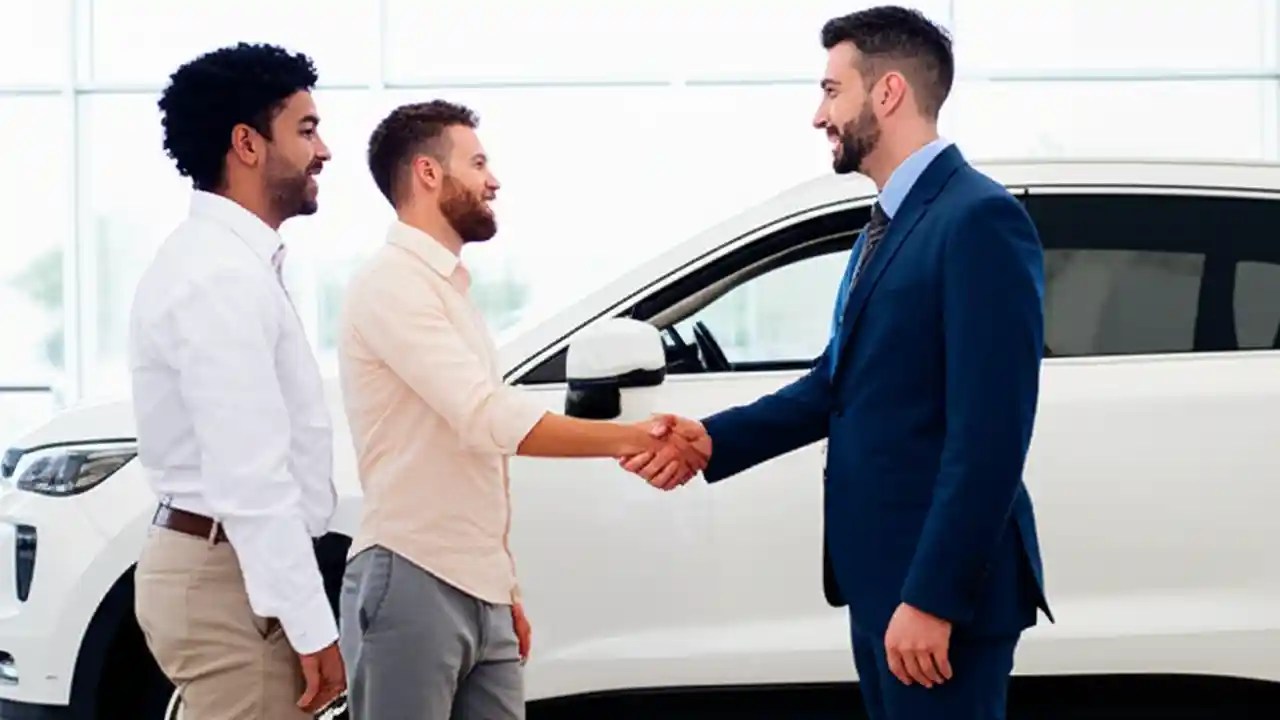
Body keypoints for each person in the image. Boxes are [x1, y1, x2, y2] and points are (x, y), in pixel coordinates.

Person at [624, 7, 1053, 719]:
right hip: (883, 582)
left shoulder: (977, 219)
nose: (818, 115)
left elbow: (991, 436)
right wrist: (713, 439)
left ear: (886, 93)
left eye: (831, 90)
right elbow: (839, 385)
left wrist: (932, 597)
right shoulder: (884, 227)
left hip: (936, 596)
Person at [335, 99, 705, 720]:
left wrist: (503, 592)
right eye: (477, 163)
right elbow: (484, 417)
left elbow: (473, 462)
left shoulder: (449, 291)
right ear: (429, 173)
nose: (493, 180)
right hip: (412, 576)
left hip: (482, 593)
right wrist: (628, 438)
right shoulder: (390, 284)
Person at [129, 42, 346, 719]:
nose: (325, 151)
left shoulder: (233, 263)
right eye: (306, 130)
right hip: (227, 576)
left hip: (235, 569)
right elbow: (249, 477)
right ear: (247, 145)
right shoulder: (218, 276)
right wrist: (312, 627)